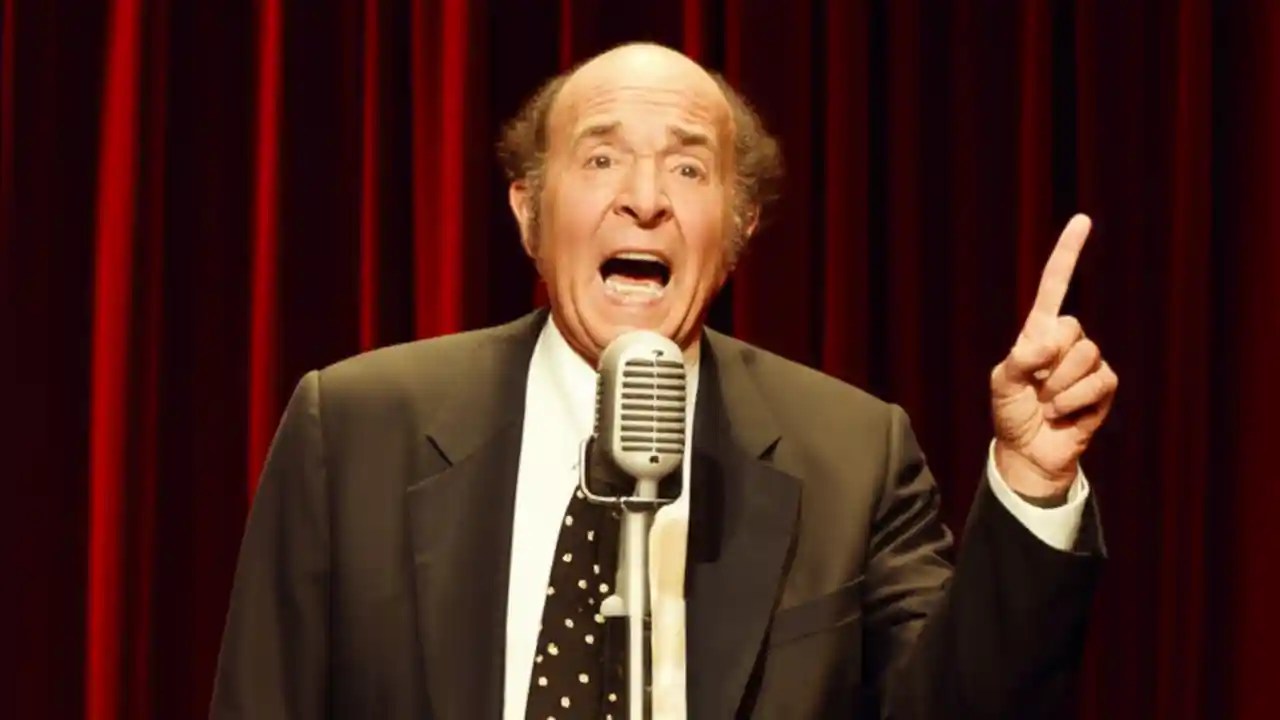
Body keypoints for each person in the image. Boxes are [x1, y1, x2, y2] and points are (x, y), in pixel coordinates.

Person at [210, 43, 1118, 719]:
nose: (644, 199)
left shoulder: (852, 454)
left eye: (688, 167)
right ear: (528, 212)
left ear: (740, 227)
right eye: (601, 158)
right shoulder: (354, 427)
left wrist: (1033, 484)